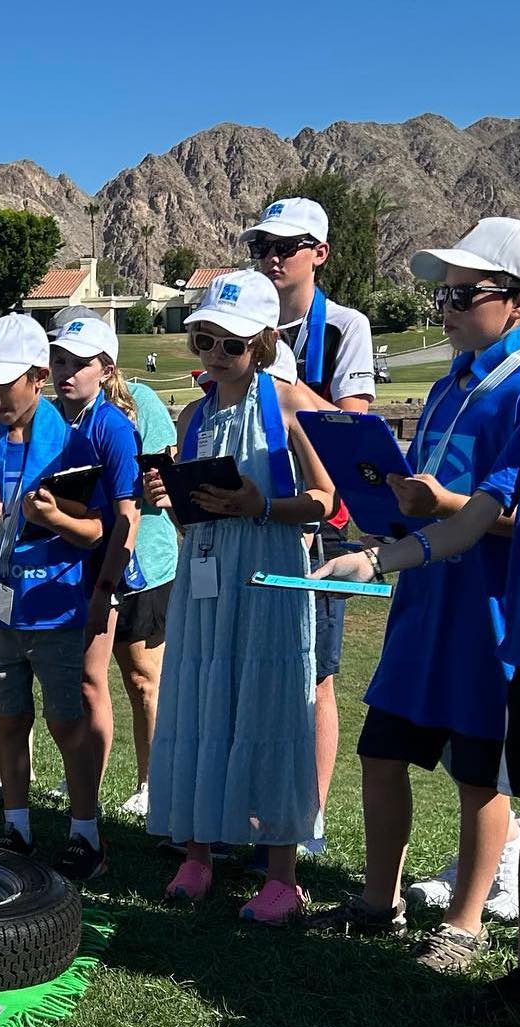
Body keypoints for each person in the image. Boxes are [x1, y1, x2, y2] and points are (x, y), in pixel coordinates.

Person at [309, 218, 520, 971]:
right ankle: (379, 901)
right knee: (382, 750)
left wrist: (443, 504)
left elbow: (518, 516)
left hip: (486, 615)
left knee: (479, 773)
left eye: (464, 295)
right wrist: (389, 514)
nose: (445, 307)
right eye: (442, 294)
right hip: (422, 598)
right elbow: (435, 495)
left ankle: (465, 925)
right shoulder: (447, 386)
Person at [316, 398, 520, 1018]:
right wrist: (374, 559)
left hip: (490, 630)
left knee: (483, 779)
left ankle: (470, 928)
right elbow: (466, 524)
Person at [145, 270, 335, 924]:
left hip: (269, 572)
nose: (217, 354)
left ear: (262, 342)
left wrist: (264, 507)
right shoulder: (193, 415)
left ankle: (282, 875)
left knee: (272, 708)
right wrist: (170, 499)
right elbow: (191, 515)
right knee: (200, 702)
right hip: (206, 574)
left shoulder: (290, 405)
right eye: (204, 340)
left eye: (231, 343)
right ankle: (198, 853)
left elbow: (327, 500)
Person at [244, 197, 375, 861]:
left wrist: (286, 395)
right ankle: (252, 812)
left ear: (319, 254)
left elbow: (353, 429)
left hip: (322, 526)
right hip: (253, 520)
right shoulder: (246, 317)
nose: (271, 258)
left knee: (316, 675)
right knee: (254, 670)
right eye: (261, 246)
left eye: (286, 246)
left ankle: (309, 816)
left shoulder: (344, 326)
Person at [0, 314, 103, 854]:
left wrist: (55, 519)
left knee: (67, 723)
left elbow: (95, 531)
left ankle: (85, 832)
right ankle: (15, 827)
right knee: (9, 718)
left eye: (6, 383)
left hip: (53, 609)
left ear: (39, 378)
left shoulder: (71, 445)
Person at [46, 316, 143, 880]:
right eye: (59, 360)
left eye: (79, 363)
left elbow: (128, 515)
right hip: (54, 574)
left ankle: (89, 802)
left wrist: (105, 589)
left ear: (105, 370)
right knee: (67, 686)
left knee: (88, 683)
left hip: (96, 575)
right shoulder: (55, 418)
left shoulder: (112, 426)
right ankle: (81, 791)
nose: (66, 372)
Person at [112, 367, 179, 819]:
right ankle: (83, 771)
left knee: (143, 679)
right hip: (87, 559)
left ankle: (152, 784)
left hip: (145, 563)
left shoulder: (141, 400)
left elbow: (162, 475)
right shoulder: (62, 408)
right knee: (84, 676)